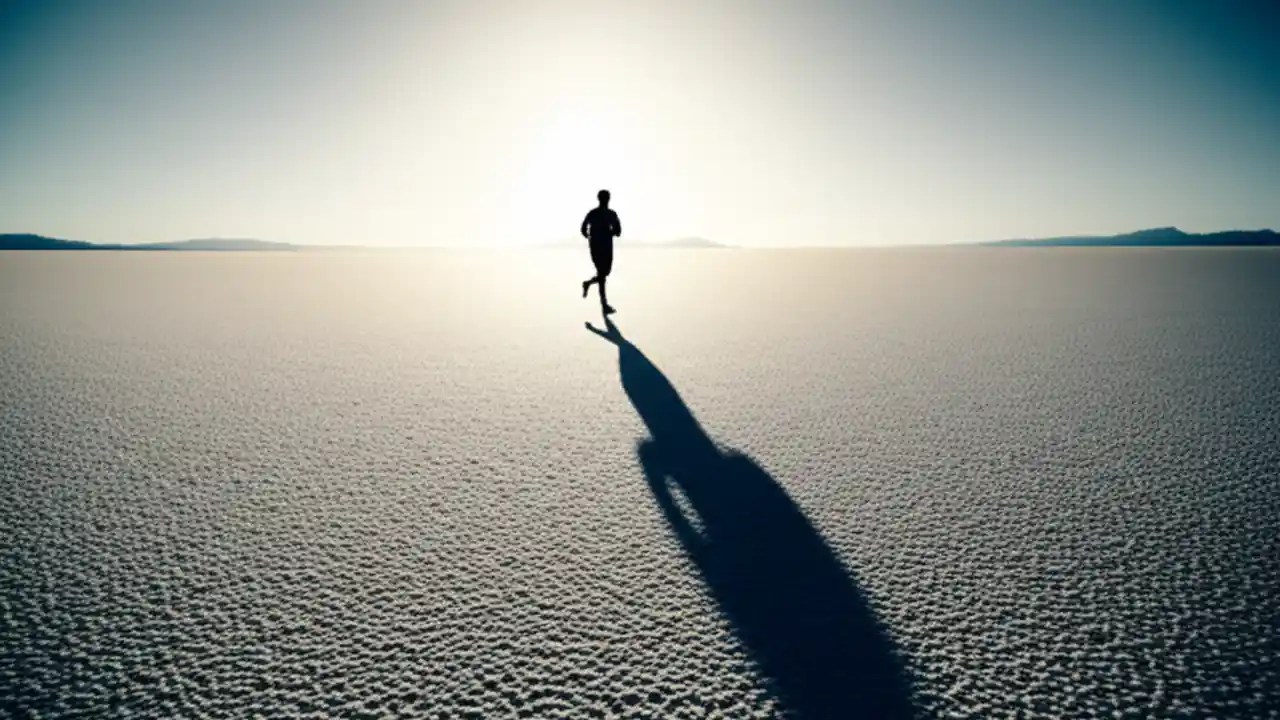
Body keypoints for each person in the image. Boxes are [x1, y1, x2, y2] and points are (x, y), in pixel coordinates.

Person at [581, 189, 622, 314]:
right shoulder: (602, 214)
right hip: (600, 247)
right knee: (602, 275)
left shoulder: (609, 214)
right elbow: (583, 229)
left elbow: (618, 231)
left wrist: (591, 236)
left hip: (604, 247)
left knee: (604, 274)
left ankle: (588, 283)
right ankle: (604, 305)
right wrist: (606, 233)